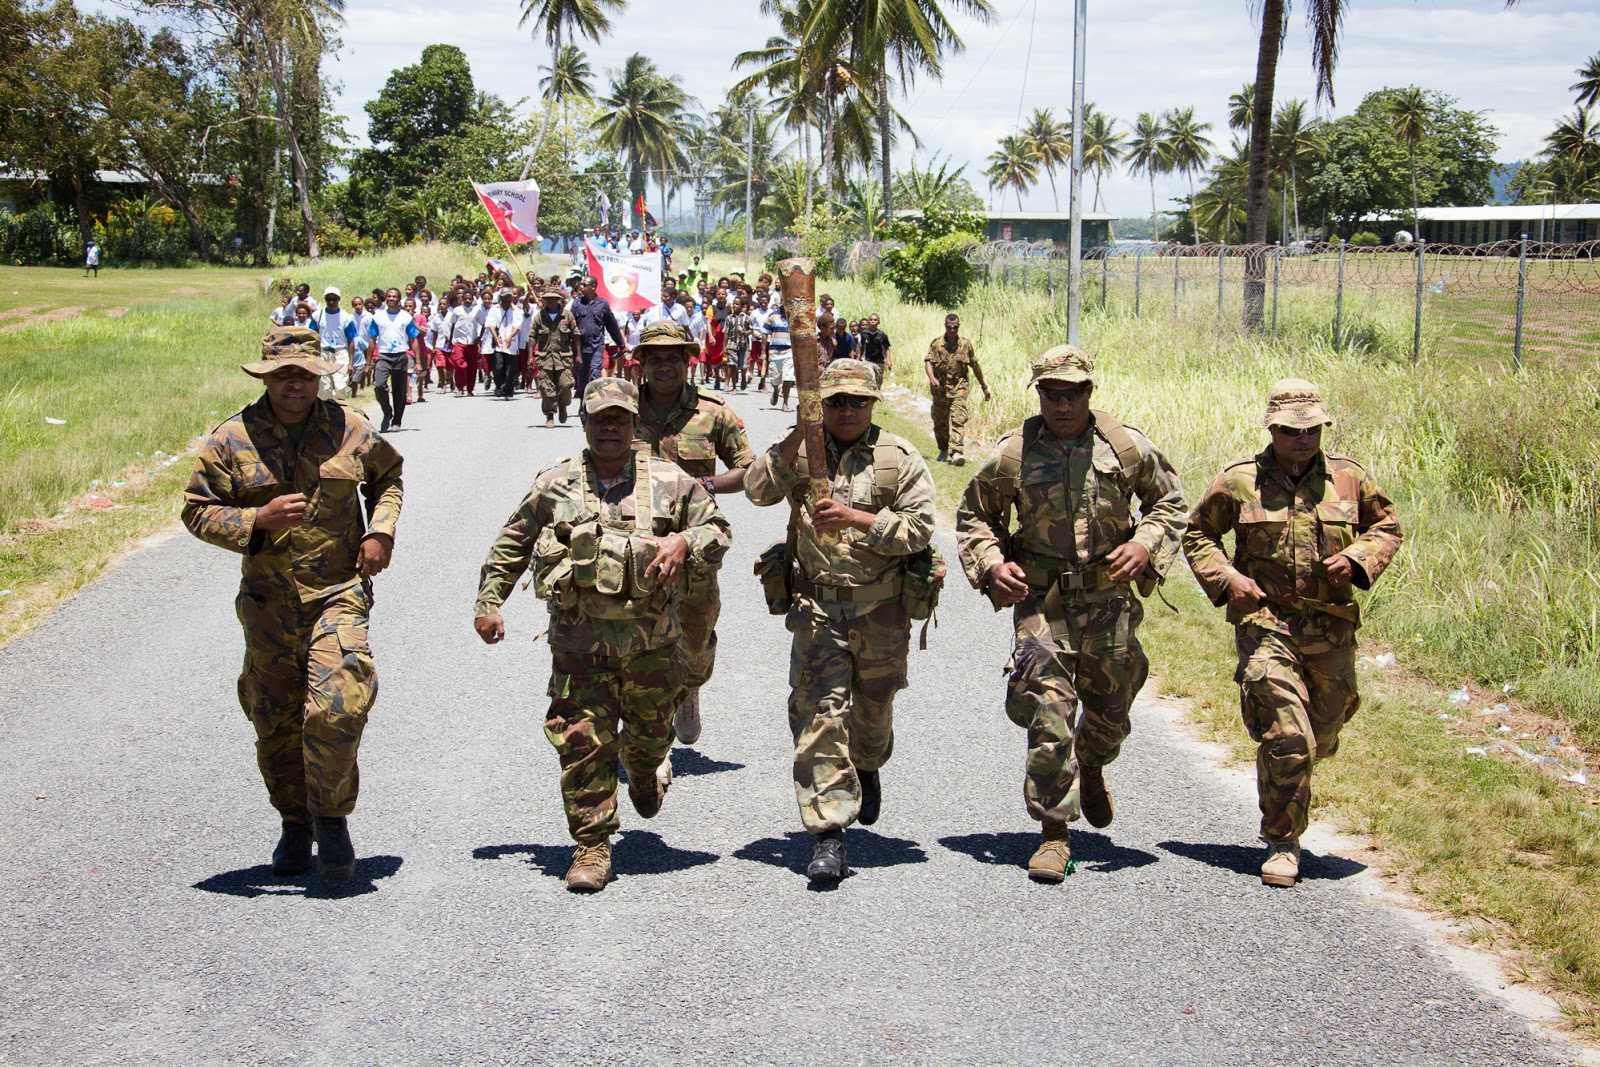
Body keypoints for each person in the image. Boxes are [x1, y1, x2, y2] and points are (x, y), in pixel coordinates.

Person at [473, 378, 731, 892]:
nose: (609, 426)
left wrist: (684, 540)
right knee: (582, 742)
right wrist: (489, 602)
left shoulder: (672, 480)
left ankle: (642, 769)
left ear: (634, 424)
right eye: (599, 418)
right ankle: (592, 846)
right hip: (578, 644)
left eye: (620, 418)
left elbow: (718, 529)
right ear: (584, 422)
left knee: (649, 736)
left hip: (652, 645)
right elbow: (513, 541)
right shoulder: (555, 484)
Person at [955, 345, 1186, 883]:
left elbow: (1170, 503)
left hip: (1110, 599)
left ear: (1090, 393)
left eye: (1073, 394)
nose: (1062, 404)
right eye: (1051, 394)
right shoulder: (1013, 453)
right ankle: (1055, 832)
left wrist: (1147, 544)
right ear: (1039, 395)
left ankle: (1096, 761)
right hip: (1044, 601)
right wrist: (991, 564)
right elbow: (975, 516)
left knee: (1112, 707)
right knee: (1047, 708)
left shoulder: (1126, 447)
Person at [181, 325, 403, 883]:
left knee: (338, 706)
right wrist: (253, 519)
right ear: (266, 377)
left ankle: (331, 820)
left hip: (338, 593)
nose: (295, 384)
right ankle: (293, 824)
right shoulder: (232, 438)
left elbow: (389, 477)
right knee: (274, 720)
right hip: (268, 603)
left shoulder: (349, 427)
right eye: (284, 374)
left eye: (305, 374)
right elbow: (195, 510)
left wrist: (381, 532)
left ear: (317, 377)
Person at [1182, 379, 1402, 888]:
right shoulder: (1240, 481)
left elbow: (1386, 528)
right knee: (1289, 736)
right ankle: (1283, 841)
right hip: (1268, 623)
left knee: (1322, 731)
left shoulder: (1349, 478)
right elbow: (1198, 533)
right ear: (1272, 429)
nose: (1302, 438)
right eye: (1290, 429)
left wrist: (1359, 558)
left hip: (1331, 626)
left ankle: (1297, 764)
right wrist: (1228, 579)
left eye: (1311, 428)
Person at [744, 359, 936, 883]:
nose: (846, 410)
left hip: (881, 611)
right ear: (820, 403)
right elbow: (758, 490)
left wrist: (858, 519)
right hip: (817, 612)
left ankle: (867, 765)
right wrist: (795, 437)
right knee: (818, 717)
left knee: (871, 720)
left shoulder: (899, 457)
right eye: (834, 401)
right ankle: (828, 835)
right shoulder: (800, 449)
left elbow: (920, 530)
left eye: (857, 401)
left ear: (873, 404)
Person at [632, 322, 754, 753]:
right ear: (641, 363)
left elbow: (747, 469)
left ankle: (689, 689)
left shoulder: (713, 411)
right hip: (635, 544)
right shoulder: (622, 408)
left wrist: (709, 484)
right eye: (655, 358)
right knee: (637, 642)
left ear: (688, 361)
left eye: (673, 357)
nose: (664, 366)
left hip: (696, 543)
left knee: (695, 639)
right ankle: (651, 740)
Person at [924, 313, 992, 466]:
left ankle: (957, 452)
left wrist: (984, 387)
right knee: (940, 422)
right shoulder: (936, 344)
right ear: (945, 326)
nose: (952, 330)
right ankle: (943, 449)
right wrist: (932, 377)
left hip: (959, 388)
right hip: (940, 390)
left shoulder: (966, 345)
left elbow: (975, 366)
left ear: (958, 327)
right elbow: (928, 361)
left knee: (958, 419)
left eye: (955, 327)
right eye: (949, 327)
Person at [367, 288, 420, 432]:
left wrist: (418, 362)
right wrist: (368, 362)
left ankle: (397, 421)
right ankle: (387, 411)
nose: (391, 298)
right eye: (389, 296)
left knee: (399, 391)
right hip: (383, 356)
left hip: (400, 355)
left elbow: (413, 339)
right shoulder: (378, 316)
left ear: (399, 299)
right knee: (379, 385)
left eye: (394, 296)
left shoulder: (405, 317)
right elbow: (372, 338)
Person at [531, 289, 580, 427]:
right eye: (548, 299)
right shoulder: (540, 316)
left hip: (563, 358)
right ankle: (550, 414)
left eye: (553, 298)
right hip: (545, 357)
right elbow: (532, 336)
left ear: (558, 299)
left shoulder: (567, 316)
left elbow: (575, 336)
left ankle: (563, 405)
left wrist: (578, 355)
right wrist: (530, 356)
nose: (550, 301)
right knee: (546, 388)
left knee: (565, 385)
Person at [569, 276, 625, 395]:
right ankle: (583, 406)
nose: (581, 287)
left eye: (584, 285)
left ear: (593, 287)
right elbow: (570, 326)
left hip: (597, 346)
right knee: (582, 378)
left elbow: (612, 326)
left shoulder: (602, 304)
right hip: (580, 348)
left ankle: (592, 404)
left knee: (595, 372)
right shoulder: (576, 303)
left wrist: (621, 344)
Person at [309, 286, 358, 401]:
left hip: (340, 352)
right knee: (324, 385)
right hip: (323, 352)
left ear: (338, 299)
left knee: (340, 383)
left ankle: (339, 407)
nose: (331, 302)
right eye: (329, 299)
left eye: (334, 299)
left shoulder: (346, 317)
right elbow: (312, 335)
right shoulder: (317, 315)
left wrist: (351, 363)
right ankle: (326, 409)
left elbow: (351, 340)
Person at [443, 287, 485, 396]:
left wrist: (479, 337)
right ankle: (460, 388)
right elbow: (452, 325)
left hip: (472, 342)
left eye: (469, 299)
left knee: (472, 367)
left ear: (472, 299)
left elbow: (484, 324)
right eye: (465, 298)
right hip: (459, 341)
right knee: (459, 364)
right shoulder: (457, 310)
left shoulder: (477, 311)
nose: (467, 300)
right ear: (462, 299)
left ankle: (470, 389)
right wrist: (450, 340)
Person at [485, 288, 525, 400]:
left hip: (512, 344)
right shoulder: (494, 309)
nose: (507, 299)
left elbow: (518, 326)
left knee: (511, 369)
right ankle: (499, 386)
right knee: (497, 368)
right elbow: (490, 324)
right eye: (504, 297)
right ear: (500, 298)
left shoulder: (516, 310)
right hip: (499, 343)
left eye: (509, 297)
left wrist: (510, 337)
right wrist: (495, 337)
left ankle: (508, 390)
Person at [765, 306, 794, 412]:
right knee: (775, 379)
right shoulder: (772, 315)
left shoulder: (794, 315)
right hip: (775, 352)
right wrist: (764, 353)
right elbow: (765, 333)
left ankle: (785, 403)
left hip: (789, 351)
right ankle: (776, 390)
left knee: (788, 377)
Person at [724, 296, 753, 394]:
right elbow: (726, 332)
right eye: (734, 304)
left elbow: (751, 330)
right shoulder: (729, 318)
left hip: (743, 346)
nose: (735, 306)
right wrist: (724, 347)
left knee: (744, 366)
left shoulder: (746, 318)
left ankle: (743, 377)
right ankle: (734, 387)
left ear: (742, 306)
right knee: (732, 365)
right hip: (731, 344)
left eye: (737, 304)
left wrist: (745, 332)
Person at [858, 313, 891, 385]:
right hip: (868, 361)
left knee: (878, 384)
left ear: (878, 322)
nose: (873, 321)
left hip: (879, 362)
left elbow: (887, 348)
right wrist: (859, 358)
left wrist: (888, 360)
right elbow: (862, 346)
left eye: (875, 320)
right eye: (871, 319)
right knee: (870, 380)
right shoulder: (864, 333)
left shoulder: (882, 334)